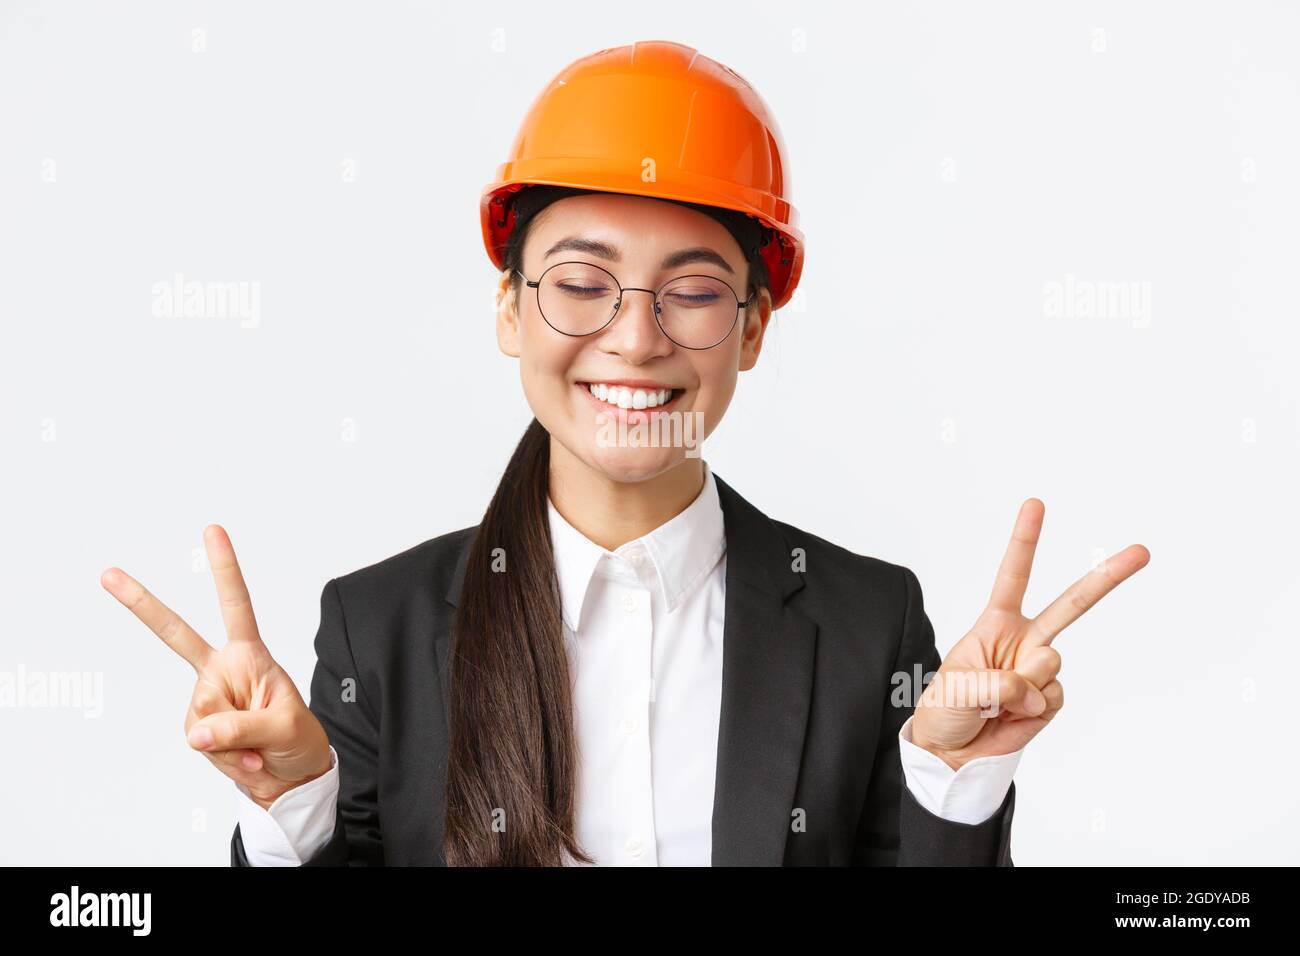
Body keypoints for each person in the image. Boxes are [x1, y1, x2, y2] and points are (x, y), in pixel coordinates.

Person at [100, 40, 1149, 866]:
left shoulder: (869, 623)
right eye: (579, 281)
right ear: (509, 308)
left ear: (751, 328)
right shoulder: (379, 630)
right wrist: (296, 811)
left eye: (692, 289)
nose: (636, 337)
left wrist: (949, 788)